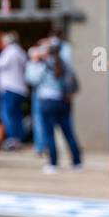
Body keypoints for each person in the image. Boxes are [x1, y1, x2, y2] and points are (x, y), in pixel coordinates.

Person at [25, 39, 81, 173]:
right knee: (68, 132)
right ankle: (77, 161)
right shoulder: (65, 64)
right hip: (63, 101)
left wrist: (33, 61)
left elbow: (31, 79)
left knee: (49, 134)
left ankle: (53, 163)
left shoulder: (44, 65)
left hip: (48, 101)